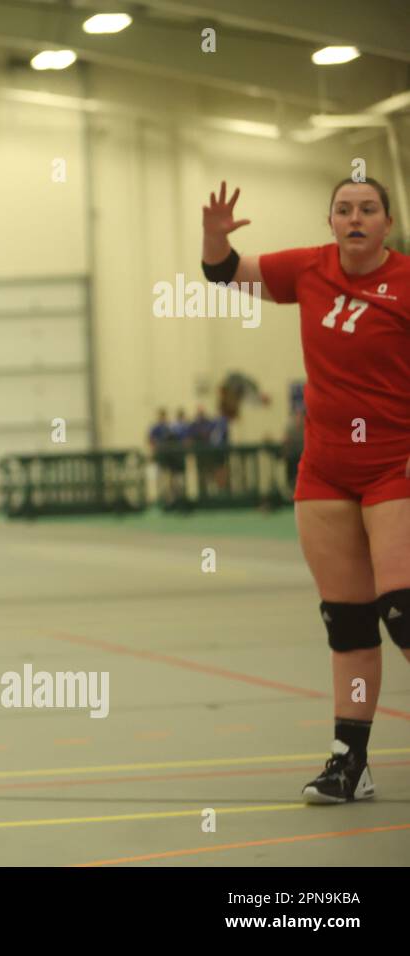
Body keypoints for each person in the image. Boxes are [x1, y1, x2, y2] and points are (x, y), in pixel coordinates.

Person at [201, 177, 410, 802]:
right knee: (347, 623)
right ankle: (350, 760)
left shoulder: (405, 283)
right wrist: (214, 237)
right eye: (344, 209)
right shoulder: (309, 270)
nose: (355, 218)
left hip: (393, 465)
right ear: (330, 221)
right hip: (324, 473)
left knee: (402, 613)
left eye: (367, 209)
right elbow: (226, 274)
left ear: (387, 222)